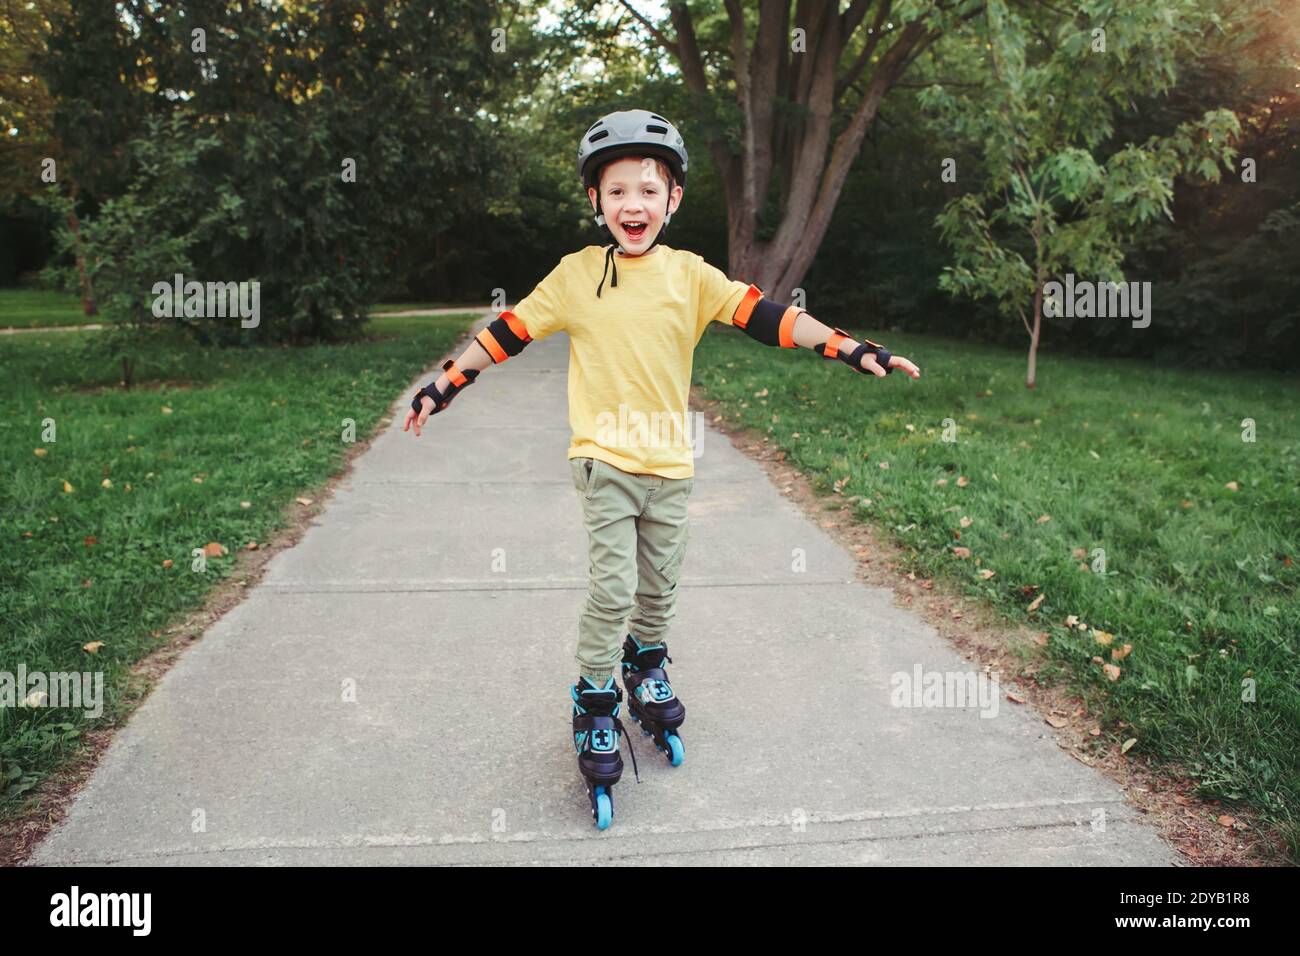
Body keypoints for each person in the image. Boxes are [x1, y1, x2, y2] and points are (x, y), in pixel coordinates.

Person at [403, 109, 920, 828]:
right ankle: (592, 699)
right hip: (603, 462)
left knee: (659, 588)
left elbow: (767, 315)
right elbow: (508, 332)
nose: (633, 205)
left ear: (673, 199)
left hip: (671, 465)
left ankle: (645, 670)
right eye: (616, 191)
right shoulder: (578, 275)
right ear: (597, 202)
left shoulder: (690, 276)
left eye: (648, 190)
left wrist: (846, 345)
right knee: (613, 587)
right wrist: (445, 383)